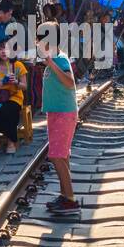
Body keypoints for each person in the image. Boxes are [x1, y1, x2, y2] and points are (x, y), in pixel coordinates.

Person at [39, 35, 80, 217]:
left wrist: (51, 63)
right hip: (56, 112)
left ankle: (70, 200)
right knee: (62, 156)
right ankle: (65, 196)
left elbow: (70, 83)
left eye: (40, 41)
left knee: (56, 156)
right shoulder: (54, 59)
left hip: (63, 112)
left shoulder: (60, 59)